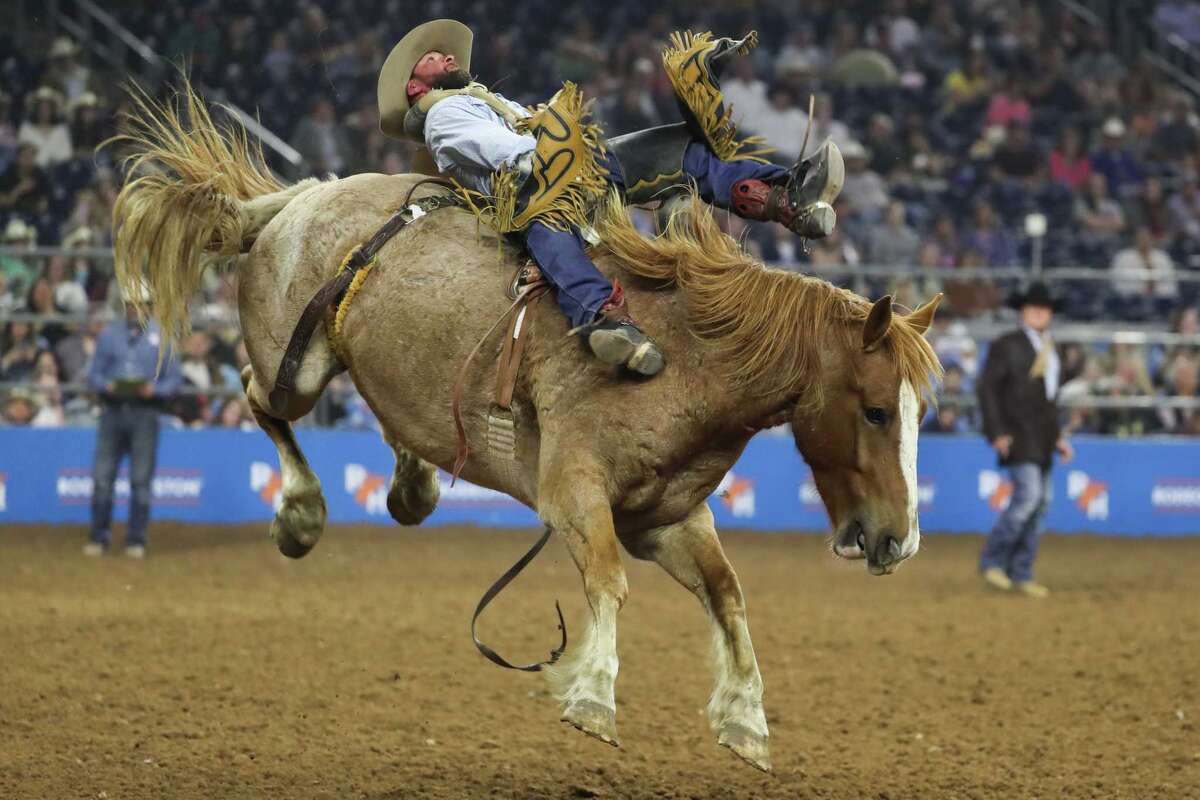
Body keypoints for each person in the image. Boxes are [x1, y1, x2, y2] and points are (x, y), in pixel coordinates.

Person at [377, 19, 843, 376]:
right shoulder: (443, 117)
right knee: (548, 232)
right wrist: (558, 149)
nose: (447, 58)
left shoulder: (481, 100)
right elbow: (510, 154)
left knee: (679, 150)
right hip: (537, 192)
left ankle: (786, 196)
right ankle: (604, 319)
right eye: (433, 58)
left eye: (444, 54)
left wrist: (569, 150)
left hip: (579, 169)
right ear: (415, 87)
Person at [976, 282, 1074, 598]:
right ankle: (994, 562)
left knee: (1039, 503)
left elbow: (1049, 401)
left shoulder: (1051, 349)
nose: (1039, 312)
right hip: (1018, 435)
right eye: (1033, 307)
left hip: (1042, 438)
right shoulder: (1007, 345)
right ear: (1022, 311)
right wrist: (996, 431)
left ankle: (1020, 571)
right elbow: (987, 389)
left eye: (1044, 308)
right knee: (1030, 498)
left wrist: (1057, 437)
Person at [83, 296, 182, 559]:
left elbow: (174, 380)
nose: (134, 309)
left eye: (141, 304)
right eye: (130, 304)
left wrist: (154, 390)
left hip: (145, 413)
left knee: (140, 480)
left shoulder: (164, 337)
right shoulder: (109, 335)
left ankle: (136, 538)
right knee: (102, 478)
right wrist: (106, 385)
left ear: (150, 307)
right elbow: (93, 374)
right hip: (112, 411)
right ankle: (99, 536)